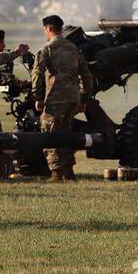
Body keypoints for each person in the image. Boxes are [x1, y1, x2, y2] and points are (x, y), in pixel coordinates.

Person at [31, 15, 94, 181]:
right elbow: (87, 75)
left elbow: (37, 74)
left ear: (48, 28)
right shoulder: (73, 48)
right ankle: (69, 171)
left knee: (49, 133)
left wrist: (38, 97)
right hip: (73, 98)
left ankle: (57, 172)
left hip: (55, 98)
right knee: (66, 133)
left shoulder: (46, 49)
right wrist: (83, 98)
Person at [0, 30, 29, 181]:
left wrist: (23, 85)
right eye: (2, 42)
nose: (4, 45)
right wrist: (17, 52)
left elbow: (3, 79)